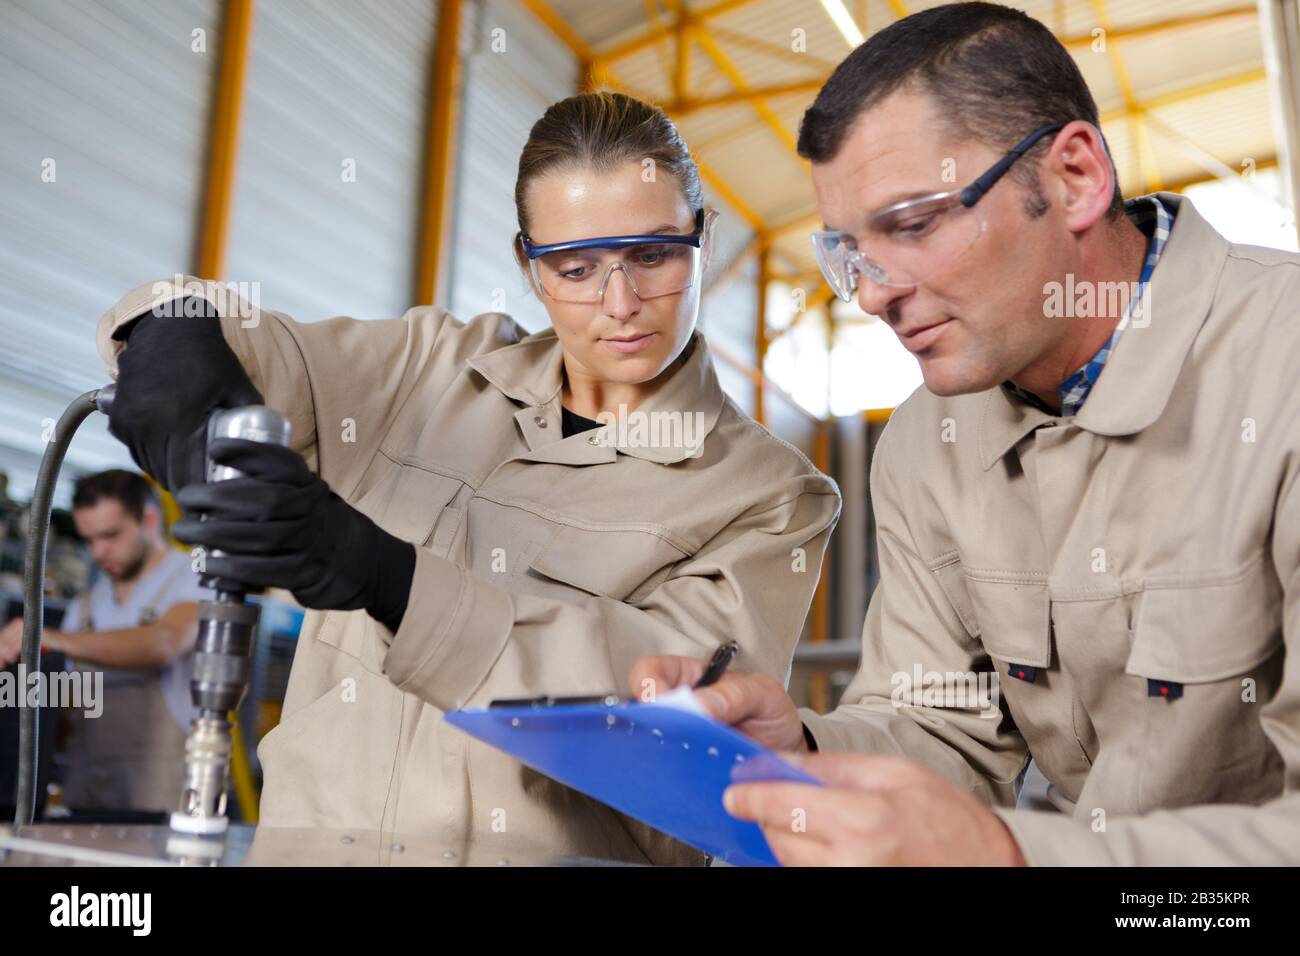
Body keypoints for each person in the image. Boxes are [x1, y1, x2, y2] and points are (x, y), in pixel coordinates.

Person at [94, 92, 840, 864]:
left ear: (703, 235)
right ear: (528, 265)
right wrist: (170, 330)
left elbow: (674, 725)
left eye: (652, 255)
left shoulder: (769, 493)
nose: (621, 304)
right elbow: (260, 349)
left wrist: (390, 579)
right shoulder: (428, 373)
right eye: (577, 268)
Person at [633, 2, 1300, 865]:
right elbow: (940, 727)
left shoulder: (1279, 366)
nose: (871, 293)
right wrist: (805, 756)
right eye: (848, 253)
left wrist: (1012, 859)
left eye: (912, 224)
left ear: (1073, 179)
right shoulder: (923, 445)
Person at [0, 469, 205, 812]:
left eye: (111, 535)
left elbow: (164, 643)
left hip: (161, 801)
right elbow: (67, 710)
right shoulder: (85, 606)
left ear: (149, 520)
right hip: (87, 793)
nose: (98, 551)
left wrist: (43, 635)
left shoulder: (193, 578)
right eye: (89, 539)